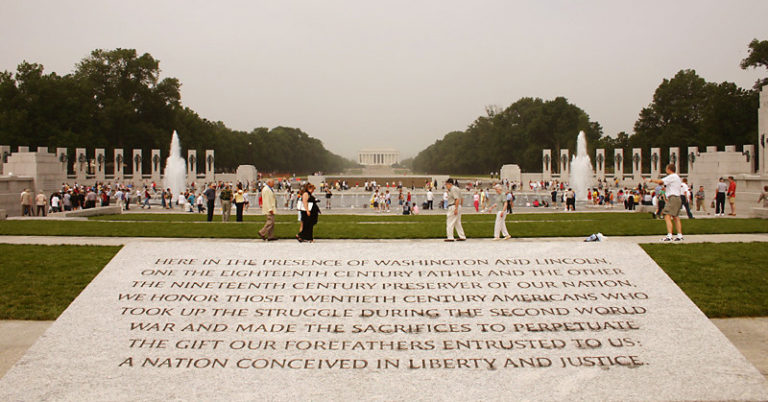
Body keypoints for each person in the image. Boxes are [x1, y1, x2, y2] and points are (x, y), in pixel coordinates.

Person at [647, 163, 684, 242]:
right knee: (675, 217)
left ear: (669, 169)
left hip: (673, 198)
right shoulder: (677, 177)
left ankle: (669, 235)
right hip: (677, 197)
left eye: (666, 169)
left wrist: (651, 180)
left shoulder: (672, 176)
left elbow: (660, 181)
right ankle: (679, 235)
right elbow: (665, 184)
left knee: (666, 215)